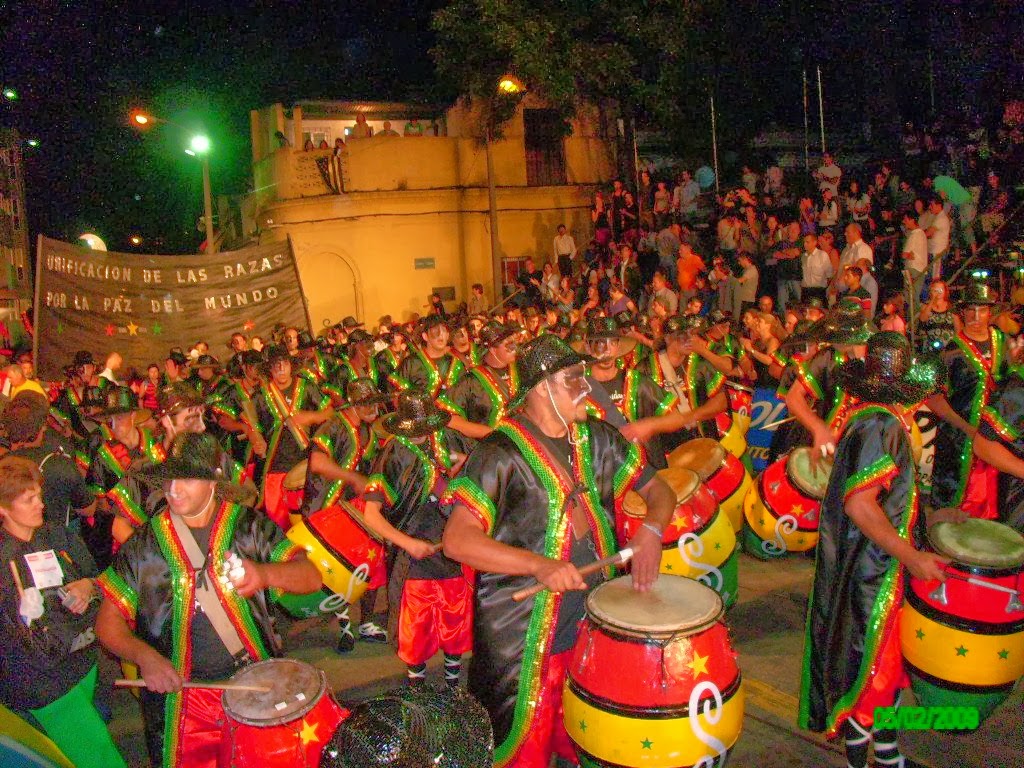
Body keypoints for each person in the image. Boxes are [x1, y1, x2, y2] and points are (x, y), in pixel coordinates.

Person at [441, 335, 675, 767]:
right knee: (524, 753)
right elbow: (457, 539)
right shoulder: (499, 452)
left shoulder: (599, 439)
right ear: (541, 387)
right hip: (525, 638)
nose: (587, 389)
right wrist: (539, 565)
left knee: (587, 745)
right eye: (574, 380)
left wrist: (652, 530)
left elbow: (659, 488)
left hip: (593, 629)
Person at [95, 432, 322, 768]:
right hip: (182, 701)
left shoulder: (248, 527)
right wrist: (146, 658)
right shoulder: (144, 545)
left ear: (213, 482)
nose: (173, 489)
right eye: (169, 477)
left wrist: (265, 574)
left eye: (186, 479)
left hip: (254, 685)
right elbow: (106, 623)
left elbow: (311, 576)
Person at [799, 332, 949, 768]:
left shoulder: (882, 420)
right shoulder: (880, 424)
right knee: (871, 671)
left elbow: (890, 498)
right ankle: (863, 760)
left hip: (880, 562)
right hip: (872, 569)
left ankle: (886, 752)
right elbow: (861, 505)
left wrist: (933, 518)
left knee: (886, 670)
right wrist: (912, 555)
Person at [0, 455, 127, 768]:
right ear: (3, 509)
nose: (40, 504)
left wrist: (88, 585)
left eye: (39, 496)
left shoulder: (58, 536)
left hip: (83, 661)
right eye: (28, 499)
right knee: (100, 755)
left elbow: (101, 579)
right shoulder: (4, 562)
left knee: (83, 747)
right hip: (41, 679)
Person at [361, 390, 469, 686]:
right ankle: (417, 691)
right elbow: (371, 514)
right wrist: (408, 543)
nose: (424, 432)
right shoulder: (392, 453)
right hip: (413, 559)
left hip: (451, 551)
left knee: (454, 625)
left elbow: (460, 471)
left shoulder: (443, 440)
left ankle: (452, 687)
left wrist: (458, 467)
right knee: (416, 632)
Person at [927, 282, 1010, 519]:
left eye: (982, 310)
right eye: (971, 310)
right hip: (959, 442)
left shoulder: (1001, 342)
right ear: (962, 312)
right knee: (956, 506)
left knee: (994, 505)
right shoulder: (951, 352)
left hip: (995, 440)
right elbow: (934, 399)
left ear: (989, 312)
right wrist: (968, 429)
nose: (976, 316)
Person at [254, 345, 332, 528]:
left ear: (291, 365)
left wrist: (311, 416)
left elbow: (330, 413)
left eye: (284, 363)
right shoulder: (260, 396)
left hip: (306, 462)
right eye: (275, 365)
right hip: (276, 465)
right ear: (269, 369)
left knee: (313, 518)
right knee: (279, 523)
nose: (281, 368)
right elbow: (252, 426)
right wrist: (256, 439)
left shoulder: (307, 387)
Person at [445, 321, 520, 447]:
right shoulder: (472, 380)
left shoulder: (520, 369)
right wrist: (490, 433)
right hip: (491, 451)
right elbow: (449, 417)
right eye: (508, 344)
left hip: (524, 445)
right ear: (492, 349)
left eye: (514, 342)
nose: (514, 348)